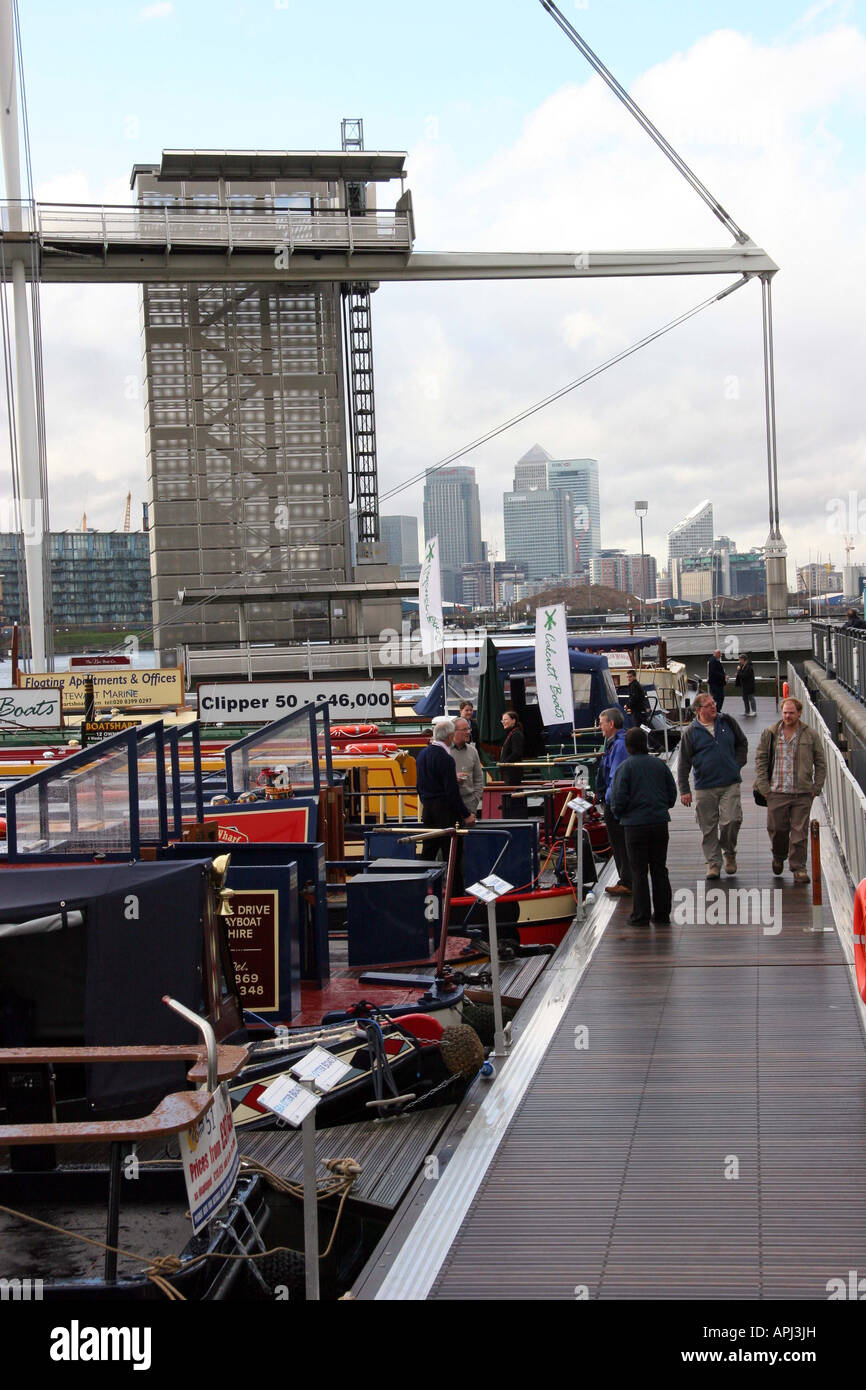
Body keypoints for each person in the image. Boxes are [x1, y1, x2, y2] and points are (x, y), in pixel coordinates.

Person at [609, 727, 678, 926]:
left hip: (634, 825)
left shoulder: (625, 767)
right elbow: (671, 793)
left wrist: (620, 814)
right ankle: (662, 914)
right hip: (659, 823)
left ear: (629, 747)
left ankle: (641, 915)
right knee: (659, 869)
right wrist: (661, 807)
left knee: (638, 871)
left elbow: (618, 798)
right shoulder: (659, 765)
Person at [754, 697, 826, 884]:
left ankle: (798, 868)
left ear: (799, 713)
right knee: (777, 829)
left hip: (801, 792)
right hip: (776, 791)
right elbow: (761, 760)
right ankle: (778, 856)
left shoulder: (810, 735)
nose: (787, 716)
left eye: (791, 713)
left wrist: (816, 787)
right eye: (785, 712)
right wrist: (764, 788)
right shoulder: (770, 733)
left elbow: (820, 762)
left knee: (799, 832)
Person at [677, 692, 748, 879]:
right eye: (709, 705)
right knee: (708, 827)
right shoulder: (691, 732)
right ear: (699, 710)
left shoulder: (727, 722)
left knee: (731, 820)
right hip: (704, 786)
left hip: (730, 782)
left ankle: (729, 852)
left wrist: (737, 763)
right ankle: (713, 863)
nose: (714, 706)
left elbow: (742, 743)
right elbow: (683, 763)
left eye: (714, 702)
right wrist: (684, 790)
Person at [416, 718, 475, 893]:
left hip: (428, 811)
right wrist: (466, 814)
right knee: (453, 855)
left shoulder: (422, 755)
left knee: (428, 852)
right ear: (449, 736)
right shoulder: (446, 759)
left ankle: (420, 889)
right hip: (446, 814)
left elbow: (419, 786)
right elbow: (452, 793)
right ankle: (455, 894)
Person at [595, 706, 632, 898]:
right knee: (619, 843)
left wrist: (609, 801)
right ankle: (625, 878)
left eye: (601, 723)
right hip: (612, 799)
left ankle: (627, 881)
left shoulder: (619, 745)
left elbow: (616, 775)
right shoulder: (614, 742)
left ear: (611, 724)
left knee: (619, 842)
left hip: (615, 803)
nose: (599, 727)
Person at [450, 716, 484, 817]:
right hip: (448, 806)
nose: (468, 732)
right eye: (464, 729)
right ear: (453, 731)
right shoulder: (444, 751)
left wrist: (474, 804)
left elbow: (479, 779)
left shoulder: (473, 751)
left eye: (469, 728)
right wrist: (453, 778)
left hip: (469, 805)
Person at [499, 709, 525, 816]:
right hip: (509, 771)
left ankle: (513, 815)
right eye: (502, 720)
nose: (503, 722)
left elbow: (516, 752)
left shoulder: (516, 734)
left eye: (505, 719)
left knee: (512, 794)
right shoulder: (512, 734)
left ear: (513, 721)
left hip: (513, 771)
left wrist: (505, 762)